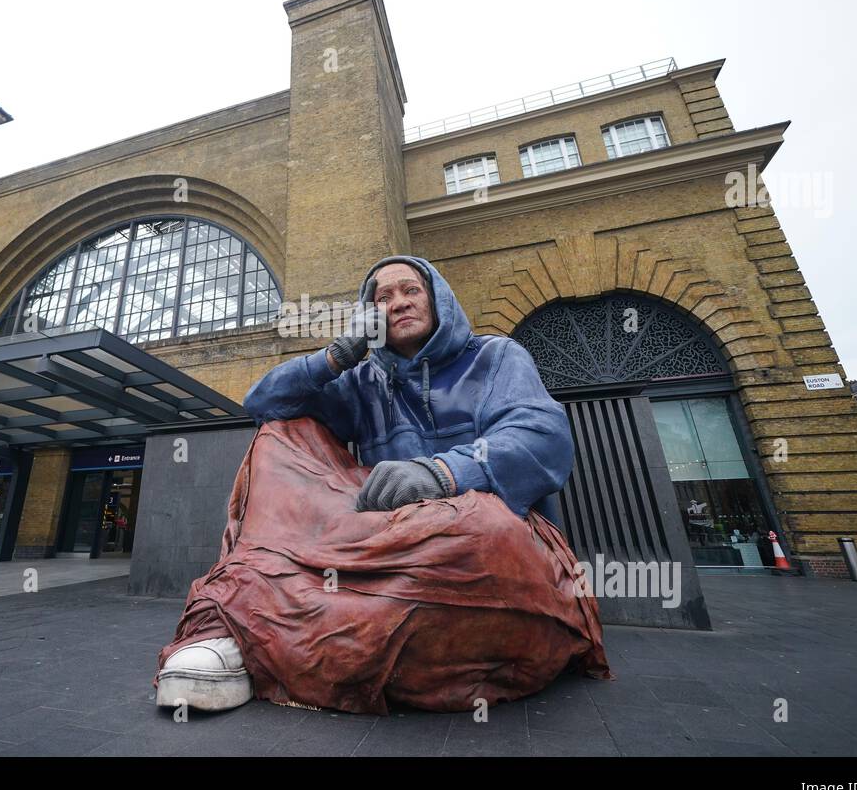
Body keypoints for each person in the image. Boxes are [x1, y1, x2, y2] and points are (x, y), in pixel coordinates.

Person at [153, 255, 608, 714]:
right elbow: (263, 403)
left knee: (488, 529)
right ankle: (243, 629)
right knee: (281, 435)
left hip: (478, 535)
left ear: (438, 299)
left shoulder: (496, 357)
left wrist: (442, 473)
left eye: (410, 290)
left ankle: (263, 639)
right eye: (382, 298)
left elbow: (543, 439)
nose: (398, 303)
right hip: (381, 538)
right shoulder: (364, 380)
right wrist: (336, 356)